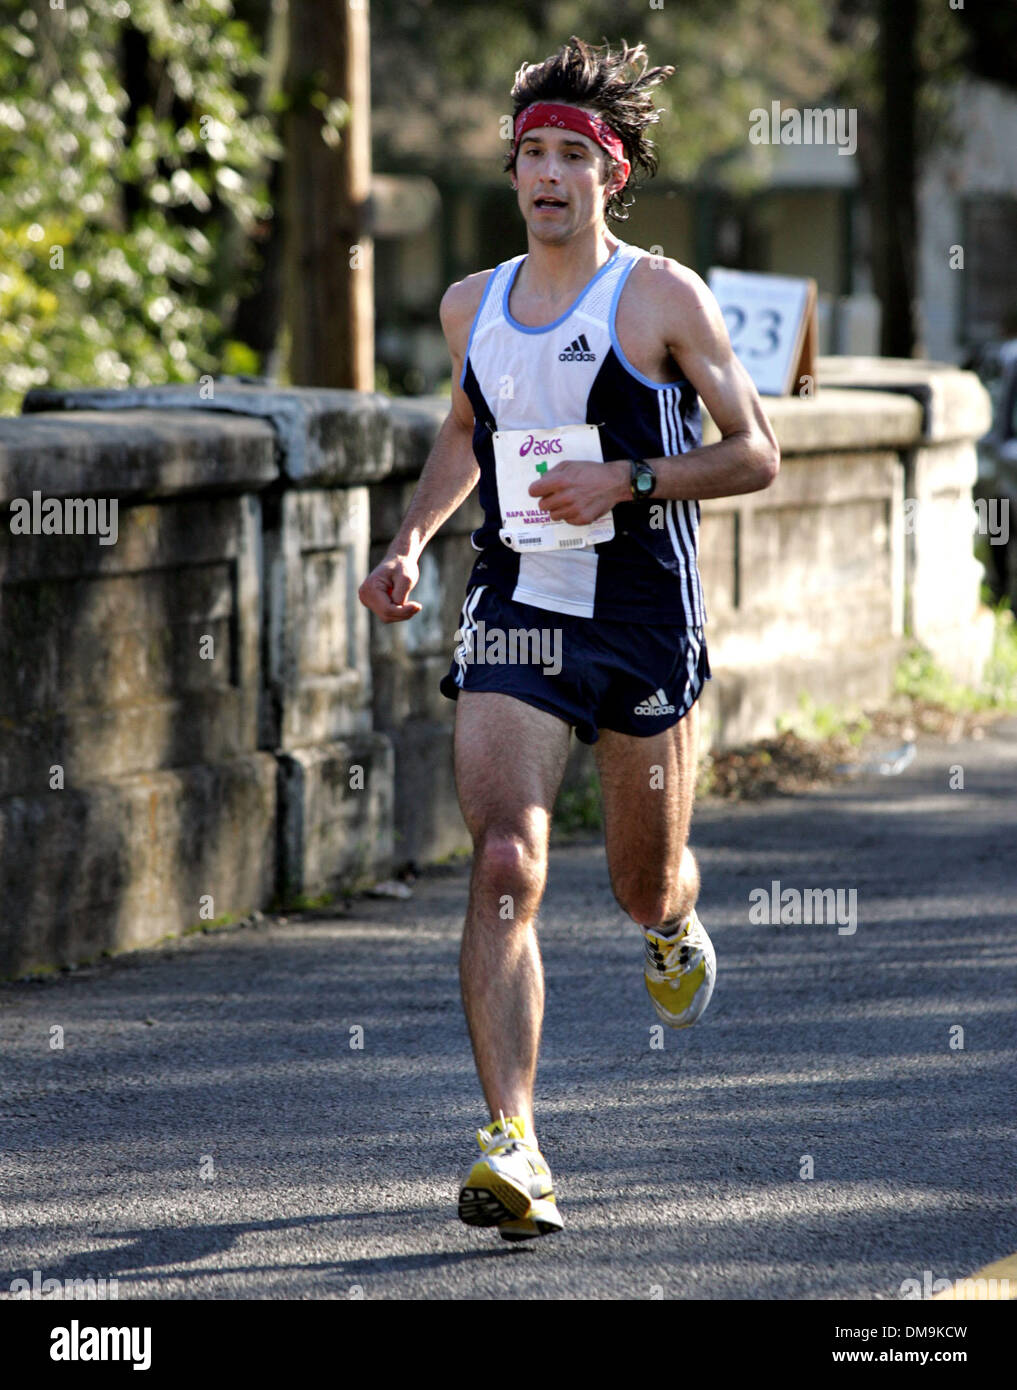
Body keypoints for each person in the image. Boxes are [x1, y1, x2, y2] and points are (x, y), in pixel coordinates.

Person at [358, 36, 779, 1241]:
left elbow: (756, 452)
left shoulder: (661, 297)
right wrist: (409, 541)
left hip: (643, 615)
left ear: (615, 173)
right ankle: (515, 1141)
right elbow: (466, 431)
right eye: (530, 153)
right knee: (505, 861)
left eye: (571, 155)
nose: (547, 175)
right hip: (520, 609)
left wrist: (628, 479)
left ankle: (671, 926)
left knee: (641, 880)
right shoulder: (469, 304)